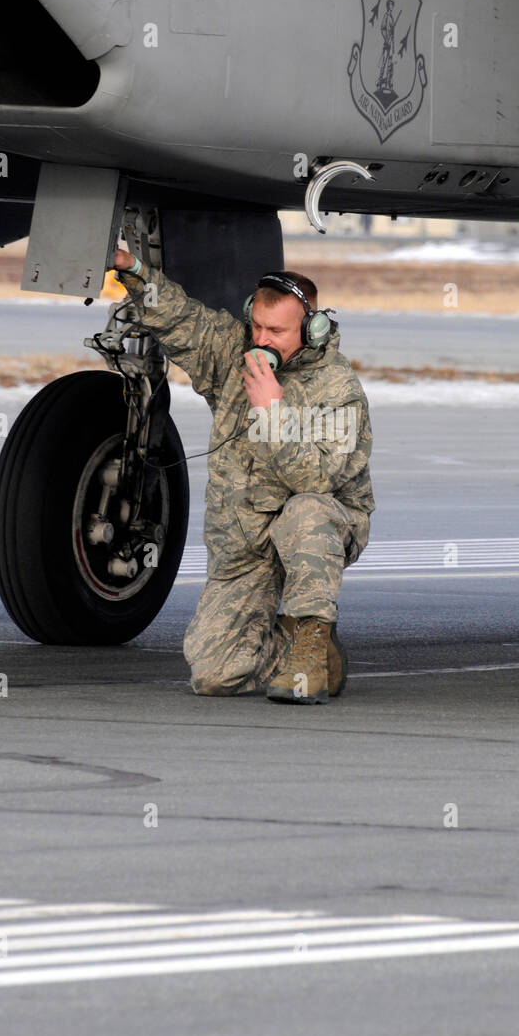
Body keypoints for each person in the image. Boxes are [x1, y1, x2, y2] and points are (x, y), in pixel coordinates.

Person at [113, 246, 375, 704]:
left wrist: (272, 413)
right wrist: (132, 270)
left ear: (311, 329)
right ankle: (298, 650)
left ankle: (311, 649)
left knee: (306, 511)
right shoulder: (236, 354)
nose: (262, 340)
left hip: (319, 530)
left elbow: (315, 480)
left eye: (277, 331)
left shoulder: (338, 389)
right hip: (245, 543)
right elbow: (181, 319)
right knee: (215, 676)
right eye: (258, 326)